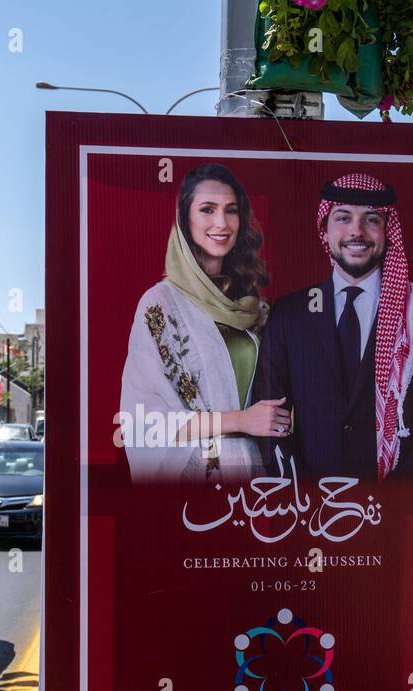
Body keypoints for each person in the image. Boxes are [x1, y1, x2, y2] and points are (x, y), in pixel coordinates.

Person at [252, 173, 413, 481]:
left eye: (371, 219)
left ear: (387, 231)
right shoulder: (289, 315)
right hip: (306, 511)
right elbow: (268, 421)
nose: (356, 231)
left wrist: (391, 502)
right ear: (325, 229)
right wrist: (300, 494)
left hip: (391, 512)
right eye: (343, 218)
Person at [119, 163, 289, 484]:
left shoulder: (255, 307)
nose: (221, 223)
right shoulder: (160, 306)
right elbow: (145, 423)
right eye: (208, 210)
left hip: (256, 480)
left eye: (231, 210)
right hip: (194, 484)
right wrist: (242, 420)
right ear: (186, 220)